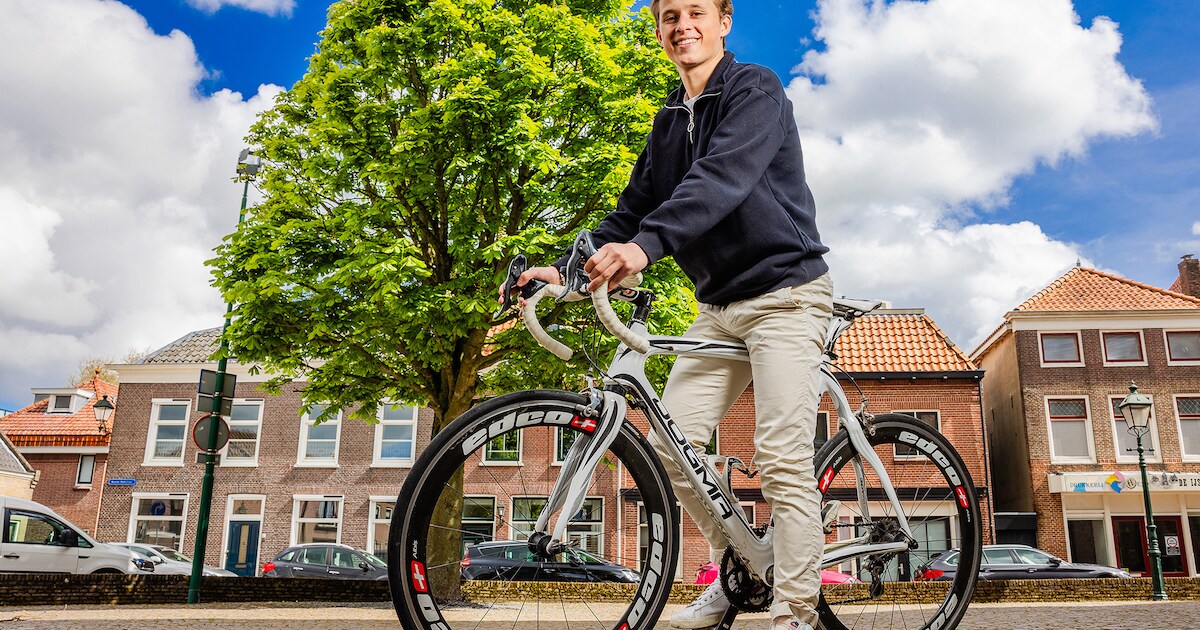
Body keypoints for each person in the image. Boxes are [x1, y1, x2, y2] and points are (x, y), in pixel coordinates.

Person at [508, 0, 831, 628]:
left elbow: (720, 179)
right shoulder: (666, 124)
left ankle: (795, 609)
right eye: (669, 15)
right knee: (675, 448)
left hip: (786, 296)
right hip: (719, 308)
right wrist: (567, 272)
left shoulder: (755, 89)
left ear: (724, 19)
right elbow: (630, 211)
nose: (683, 25)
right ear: (658, 28)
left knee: (781, 454)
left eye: (696, 12)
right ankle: (744, 569)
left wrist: (645, 248)